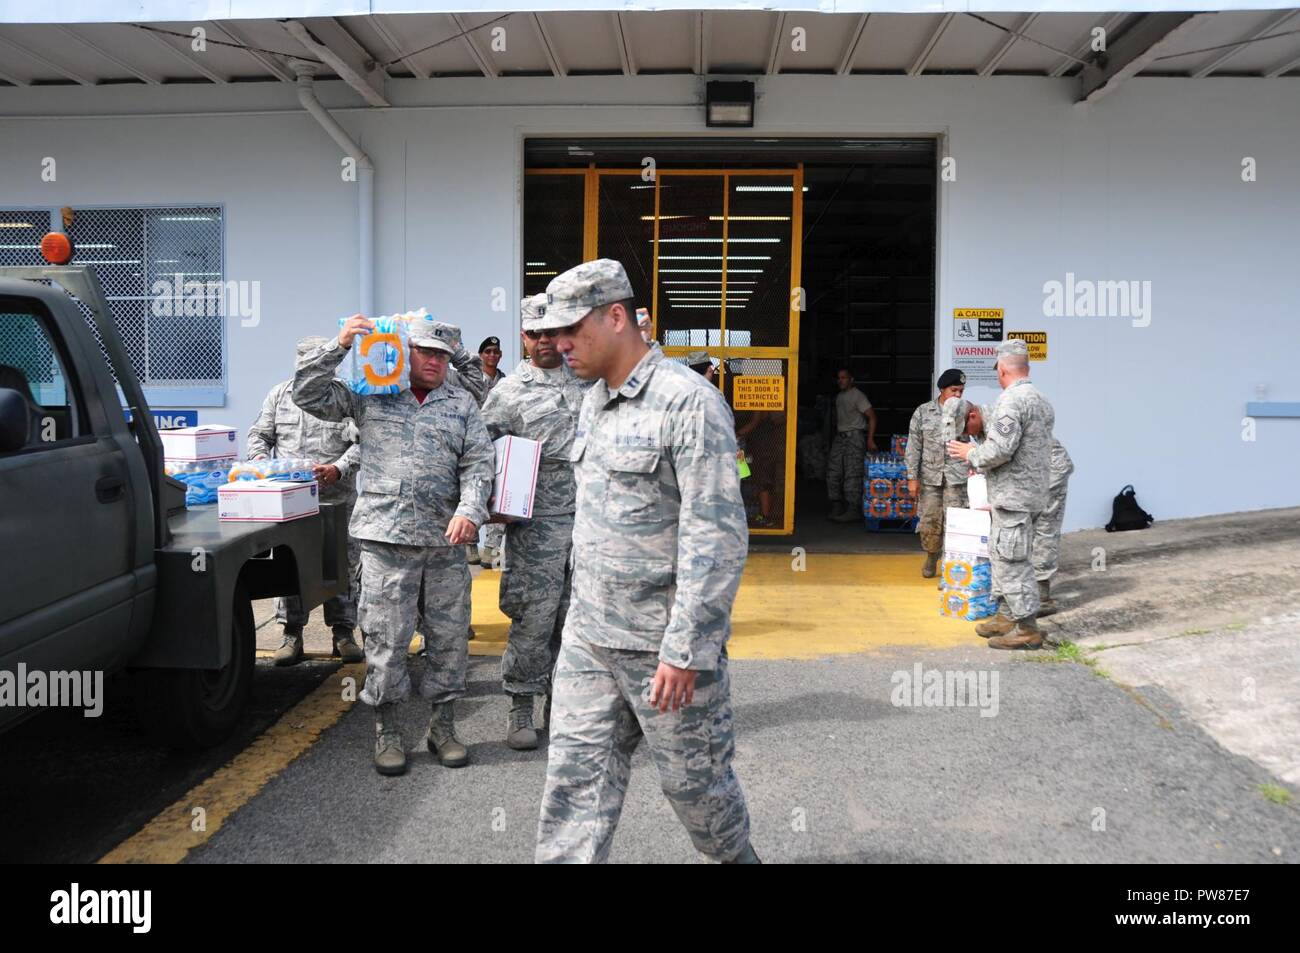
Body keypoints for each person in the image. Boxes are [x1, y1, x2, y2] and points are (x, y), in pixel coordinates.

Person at [534, 259, 759, 864]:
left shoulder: (688, 403)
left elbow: (715, 538)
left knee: (699, 794)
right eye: (552, 333)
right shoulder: (593, 402)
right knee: (572, 790)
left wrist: (686, 649)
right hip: (590, 638)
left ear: (616, 316)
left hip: (663, 645)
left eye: (570, 330)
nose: (558, 344)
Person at [294, 317, 494, 775]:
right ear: (405, 350)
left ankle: (443, 726)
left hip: (445, 543)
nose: (434, 361)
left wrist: (470, 510)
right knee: (386, 640)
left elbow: (479, 465)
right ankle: (387, 729)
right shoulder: (374, 393)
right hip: (386, 542)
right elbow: (307, 393)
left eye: (443, 354)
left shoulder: (461, 403)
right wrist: (339, 343)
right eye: (426, 351)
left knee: (447, 639)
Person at [479, 293, 593, 749]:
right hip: (537, 522)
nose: (545, 341)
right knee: (534, 617)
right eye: (534, 333)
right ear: (523, 337)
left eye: (553, 332)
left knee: (581, 617)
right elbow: (480, 453)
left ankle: (565, 708)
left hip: (590, 520)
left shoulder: (590, 379)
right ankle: (522, 704)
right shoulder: (508, 391)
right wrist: (490, 508)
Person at [247, 336, 364, 665]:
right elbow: (259, 435)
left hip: (337, 500)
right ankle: (291, 633)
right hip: (292, 501)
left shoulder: (348, 397)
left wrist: (339, 469)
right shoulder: (280, 395)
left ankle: (343, 633)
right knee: (291, 564)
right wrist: (264, 466)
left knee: (340, 564)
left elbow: (365, 440)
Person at [947, 338, 1053, 650]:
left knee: (1011, 559)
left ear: (1003, 370)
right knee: (1003, 552)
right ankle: (1007, 615)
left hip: (1014, 495)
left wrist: (970, 453)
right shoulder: (1041, 399)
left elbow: (1001, 449)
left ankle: (1026, 628)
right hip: (1028, 494)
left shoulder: (1012, 401)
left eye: (998, 371)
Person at [967, 403, 1074, 619]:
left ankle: (1042, 596)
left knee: (1043, 531)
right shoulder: (981, 428)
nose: (965, 435)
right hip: (1027, 474)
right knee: (1014, 534)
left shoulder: (1001, 418)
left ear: (973, 415)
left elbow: (1002, 454)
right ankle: (1013, 599)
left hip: (1049, 472)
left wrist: (975, 458)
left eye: (964, 429)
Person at [906, 369, 971, 578]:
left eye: (961, 391)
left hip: (957, 478)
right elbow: (914, 446)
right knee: (929, 521)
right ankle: (932, 556)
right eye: (954, 390)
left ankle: (950, 566)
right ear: (942, 389)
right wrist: (912, 478)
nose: (958, 395)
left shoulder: (966, 411)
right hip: (930, 478)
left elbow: (977, 439)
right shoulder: (923, 412)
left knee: (955, 523)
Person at [827, 368, 877, 522]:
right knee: (833, 472)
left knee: (852, 474)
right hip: (840, 437)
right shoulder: (839, 397)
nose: (841, 380)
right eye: (839, 378)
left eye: (844, 378)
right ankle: (837, 505)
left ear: (851, 379)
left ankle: (853, 509)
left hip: (854, 437)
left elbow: (872, 417)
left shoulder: (858, 396)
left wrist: (870, 439)